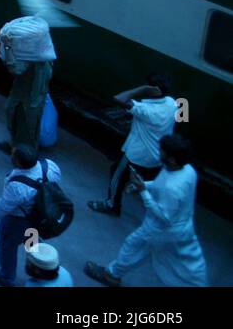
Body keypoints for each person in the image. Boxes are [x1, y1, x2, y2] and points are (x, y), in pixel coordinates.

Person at [84, 134, 207, 287]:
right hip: (182, 229)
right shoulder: (188, 170)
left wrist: (143, 191)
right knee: (186, 263)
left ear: (172, 159)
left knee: (133, 246)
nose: (159, 152)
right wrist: (145, 185)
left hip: (160, 229)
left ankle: (112, 275)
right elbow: (161, 182)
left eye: (162, 151)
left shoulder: (172, 189)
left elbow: (164, 217)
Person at [88, 76, 178, 216]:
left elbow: (118, 98)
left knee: (116, 173)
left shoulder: (144, 109)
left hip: (137, 155)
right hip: (158, 157)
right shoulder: (172, 104)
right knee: (151, 183)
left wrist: (141, 89)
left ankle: (112, 205)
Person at [0, 144, 63, 287]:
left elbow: (3, 207)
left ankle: (6, 278)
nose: (11, 154)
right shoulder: (50, 166)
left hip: (18, 221)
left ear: (18, 162)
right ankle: (44, 268)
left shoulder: (18, 186)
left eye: (13, 154)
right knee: (32, 243)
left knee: (7, 246)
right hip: (38, 217)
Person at [0, 16, 55, 155]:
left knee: (25, 126)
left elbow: (15, 69)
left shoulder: (31, 59)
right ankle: (16, 147)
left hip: (27, 100)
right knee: (23, 124)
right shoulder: (44, 55)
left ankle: (25, 157)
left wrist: (7, 46)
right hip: (33, 97)